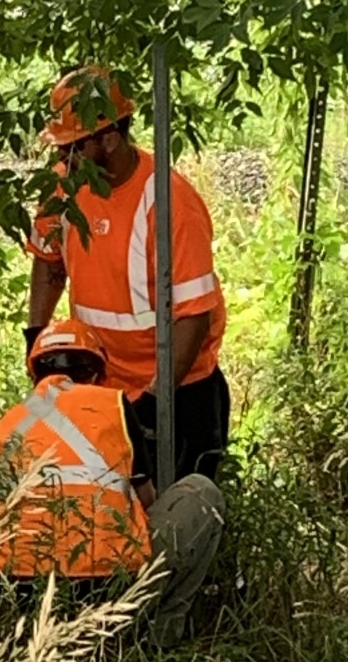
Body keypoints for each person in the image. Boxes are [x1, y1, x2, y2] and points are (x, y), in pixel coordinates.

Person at [25, 65, 230, 482]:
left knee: (181, 505)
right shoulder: (64, 188)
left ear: (110, 138)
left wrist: (158, 399)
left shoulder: (170, 205)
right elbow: (48, 263)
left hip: (179, 388)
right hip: (98, 382)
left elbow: (193, 315)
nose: (63, 160)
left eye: (73, 148)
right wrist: (37, 336)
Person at [0, 320, 225, 646]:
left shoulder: (8, 422)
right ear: (98, 372)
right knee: (202, 491)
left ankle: (14, 633)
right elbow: (146, 501)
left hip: (25, 605)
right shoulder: (114, 406)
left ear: (34, 374)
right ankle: (156, 637)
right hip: (108, 600)